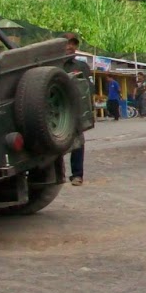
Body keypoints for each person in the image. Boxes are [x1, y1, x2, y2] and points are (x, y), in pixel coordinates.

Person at [61, 33, 89, 185]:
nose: (70, 46)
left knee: (78, 143)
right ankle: (57, 176)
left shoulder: (82, 66)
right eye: (67, 43)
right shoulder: (52, 66)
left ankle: (77, 175)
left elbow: (87, 90)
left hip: (75, 111)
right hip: (56, 112)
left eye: (73, 44)